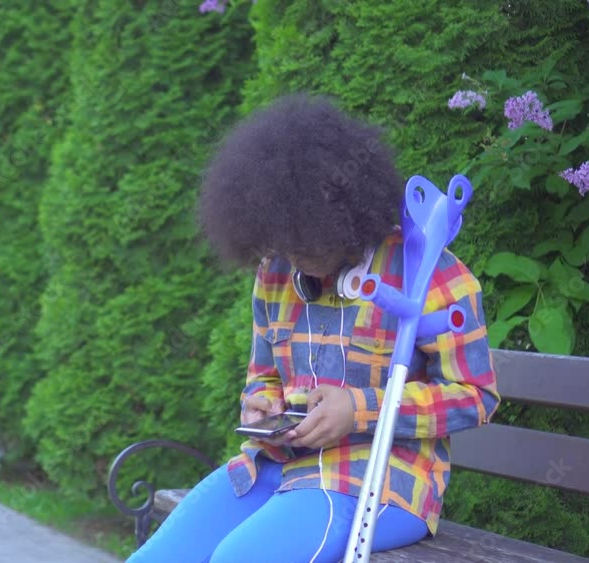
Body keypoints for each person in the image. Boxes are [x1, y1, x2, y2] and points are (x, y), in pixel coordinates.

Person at [125, 94, 500, 563]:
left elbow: (475, 395)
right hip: (278, 468)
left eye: (305, 243)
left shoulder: (428, 271)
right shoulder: (276, 271)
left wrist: (360, 410)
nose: (294, 258)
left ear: (344, 216)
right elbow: (264, 375)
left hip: (380, 481)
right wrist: (262, 405)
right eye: (283, 242)